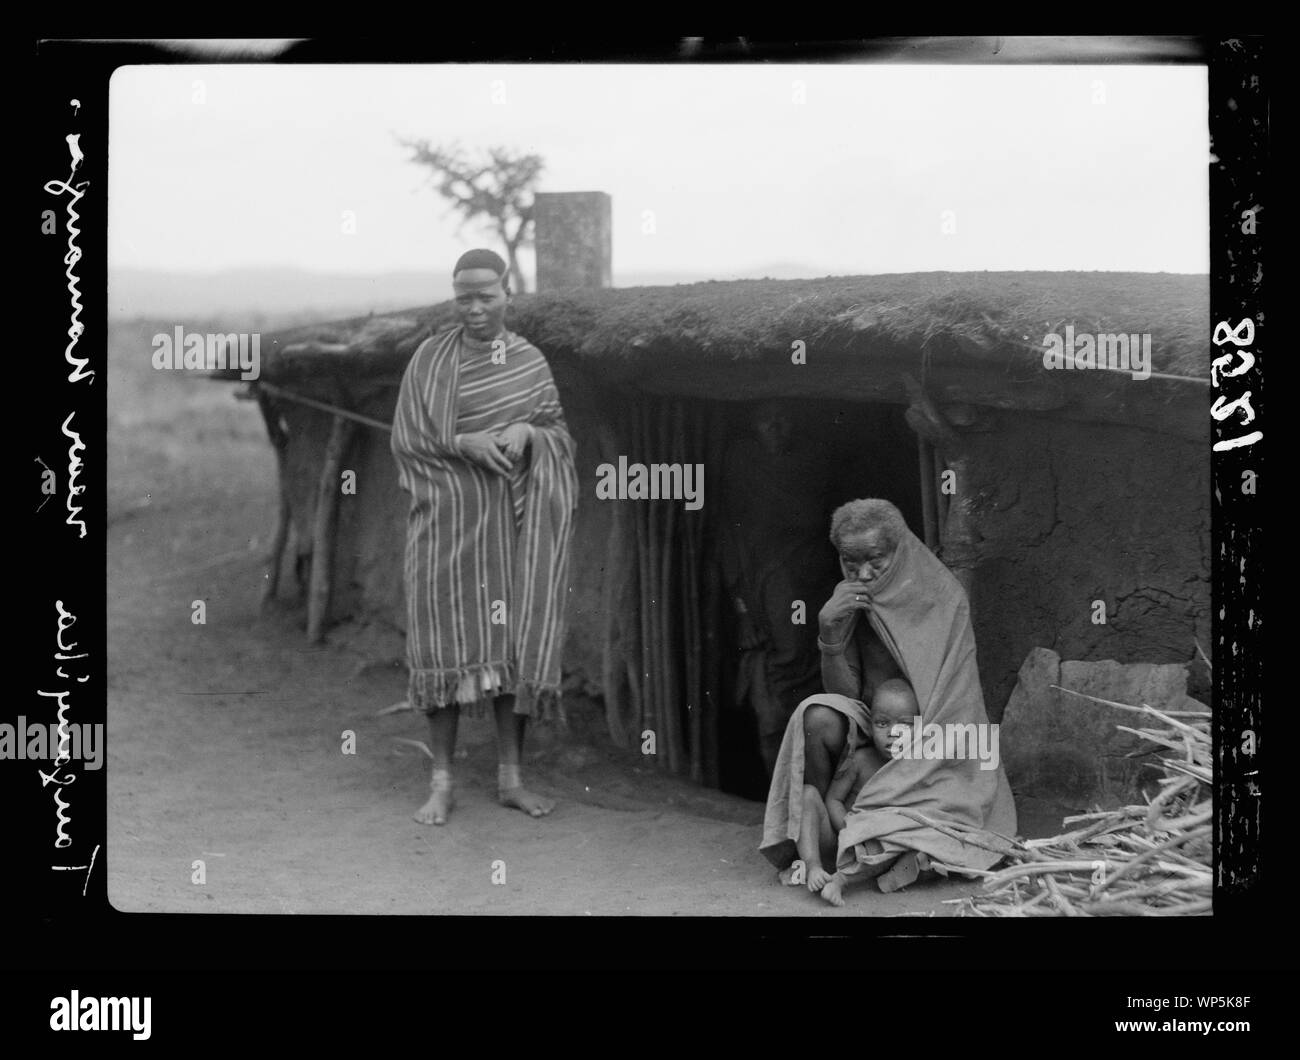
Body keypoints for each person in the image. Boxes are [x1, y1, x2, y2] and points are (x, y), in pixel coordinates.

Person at [390, 248, 578, 825]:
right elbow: (406, 440)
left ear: (507, 295)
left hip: (509, 533)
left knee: (507, 652)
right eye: (462, 297)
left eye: (485, 296)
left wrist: (528, 430)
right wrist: (462, 443)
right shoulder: (429, 361)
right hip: (443, 532)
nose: (473, 309)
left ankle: (510, 778)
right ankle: (442, 781)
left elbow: (559, 436)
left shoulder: (529, 361)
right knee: (442, 652)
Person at [760, 498, 1017, 905]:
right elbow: (845, 696)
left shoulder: (943, 598)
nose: (863, 573)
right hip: (874, 727)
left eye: (875, 560)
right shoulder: (851, 601)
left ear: (900, 550)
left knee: (953, 812)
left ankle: (882, 841)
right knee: (817, 714)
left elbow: (958, 703)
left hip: (937, 735)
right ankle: (820, 839)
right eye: (850, 562)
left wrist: (917, 744)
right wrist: (829, 633)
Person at [720, 401, 838, 776]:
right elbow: (728, 541)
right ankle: (777, 782)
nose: (774, 427)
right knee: (776, 669)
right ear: (752, 426)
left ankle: (813, 778)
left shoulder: (813, 465)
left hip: (809, 579)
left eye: (783, 419)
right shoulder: (741, 467)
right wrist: (741, 605)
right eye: (764, 420)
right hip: (765, 590)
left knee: (811, 661)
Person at [778, 678, 920, 894]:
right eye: (882, 723)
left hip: (876, 852)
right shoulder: (861, 760)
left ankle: (847, 879)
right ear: (870, 726)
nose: (893, 733)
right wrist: (849, 830)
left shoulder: (921, 766)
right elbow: (833, 800)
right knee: (807, 794)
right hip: (838, 840)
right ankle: (813, 866)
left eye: (905, 725)